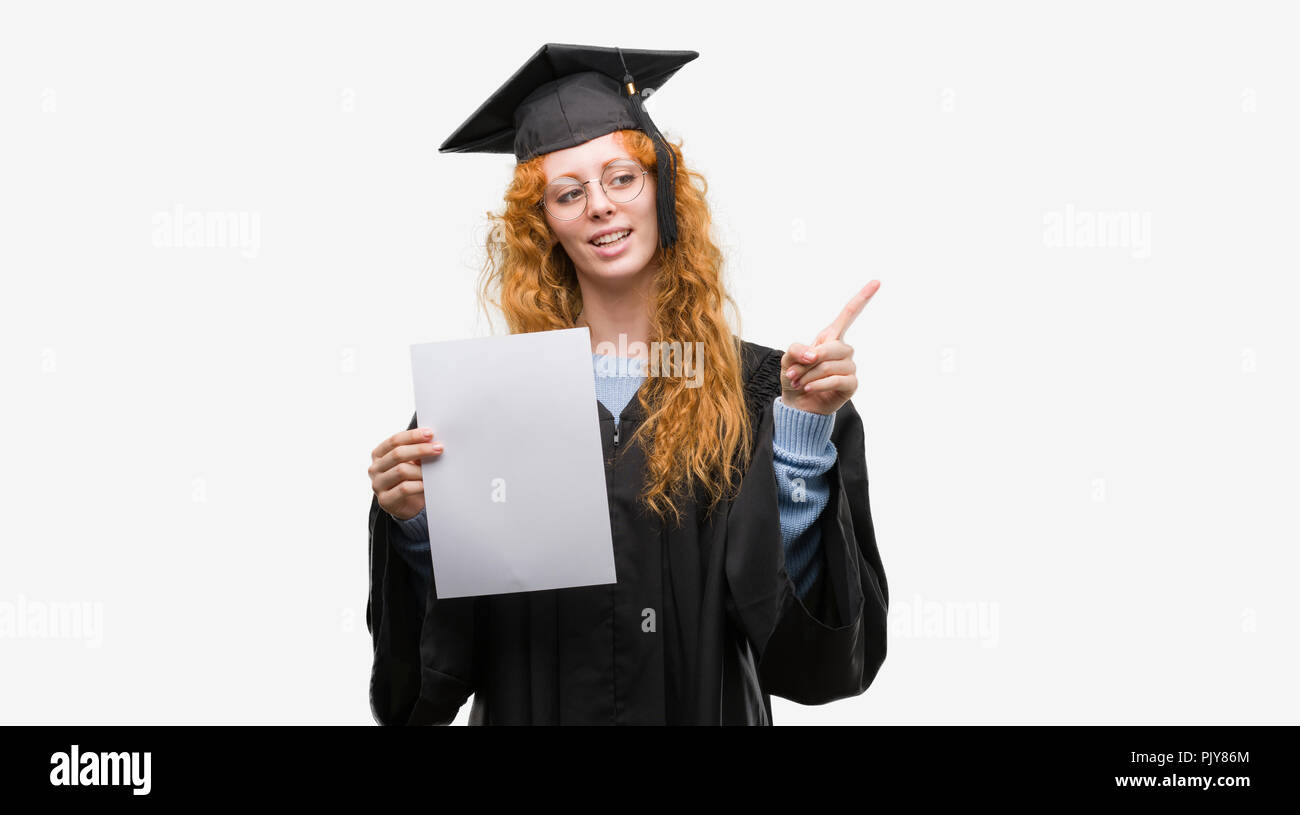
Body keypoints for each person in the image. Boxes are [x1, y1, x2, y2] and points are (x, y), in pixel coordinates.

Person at [365, 43, 887, 725]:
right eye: (569, 193)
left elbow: (818, 664)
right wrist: (416, 525)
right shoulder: (483, 410)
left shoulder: (763, 392)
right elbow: (422, 693)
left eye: (622, 178)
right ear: (543, 224)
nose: (600, 208)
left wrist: (801, 432)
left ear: (662, 188)